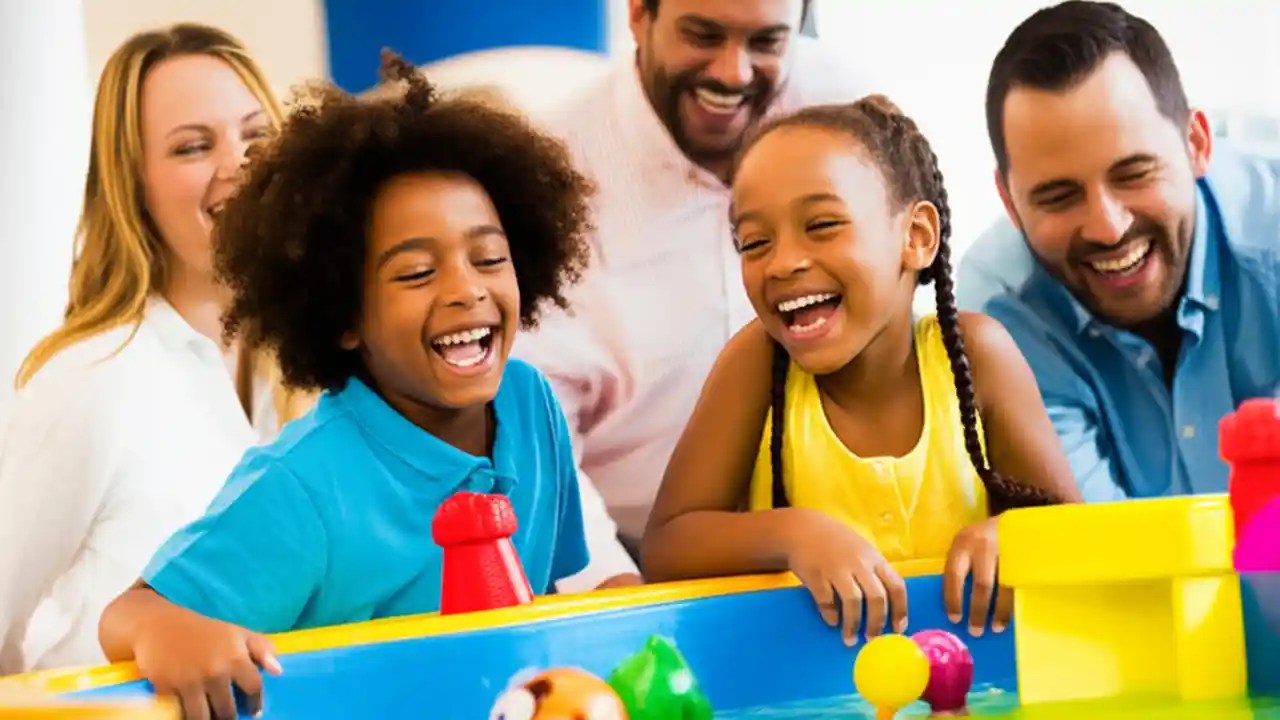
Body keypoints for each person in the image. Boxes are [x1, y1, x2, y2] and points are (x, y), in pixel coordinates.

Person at [98, 53, 594, 719]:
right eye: (417, 273)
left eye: (489, 259)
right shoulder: (303, 483)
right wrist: (168, 631)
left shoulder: (529, 403)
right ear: (343, 318)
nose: (466, 289)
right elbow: (130, 614)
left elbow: (547, 598)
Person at [642, 96, 1082, 646]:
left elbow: (1071, 530)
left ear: (917, 237)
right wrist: (794, 532)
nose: (782, 263)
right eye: (754, 242)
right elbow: (665, 548)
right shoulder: (757, 364)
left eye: (822, 224)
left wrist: (1012, 534)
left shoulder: (975, 353)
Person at [514, 0, 869, 583]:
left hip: (839, 540)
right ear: (637, 15)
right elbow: (533, 424)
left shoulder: (846, 113)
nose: (734, 72)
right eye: (703, 35)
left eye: (767, 43)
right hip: (627, 555)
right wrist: (611, 588)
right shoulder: (547, 174)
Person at [0, 24, 306, 674]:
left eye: (257, 136)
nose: (238, 166)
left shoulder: (317, 374)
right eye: (193, 146)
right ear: (131, 189)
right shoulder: (91, 378)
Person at [956, 1, 1280, 502]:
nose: (1109, 228)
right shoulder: (999, 320)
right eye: (1059, 196)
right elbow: (1099, 543)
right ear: (1010, 203)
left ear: (1195, 143)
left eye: (1134, 173)